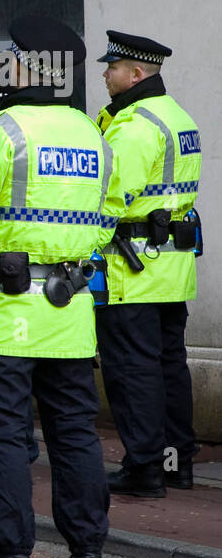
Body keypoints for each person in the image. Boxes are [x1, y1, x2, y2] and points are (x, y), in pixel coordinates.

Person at [0, 15, 129, 558]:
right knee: (74, 434)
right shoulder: (93, 134)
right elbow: (107, 221)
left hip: (4, 315)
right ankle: (86, 555)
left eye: (13, 56)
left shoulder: (1, 132)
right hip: (70, 315)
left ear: (28, 66)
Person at [94, 31, 202, 496]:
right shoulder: (177, 116)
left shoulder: (135, 125)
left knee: (132, 369)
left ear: (136, 74)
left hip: (132, 268)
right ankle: (177, 464)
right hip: (171, 268)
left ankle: (144, 469)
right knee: (168, 366)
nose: (105, 74)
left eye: (112, 68)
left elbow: (111, 198)